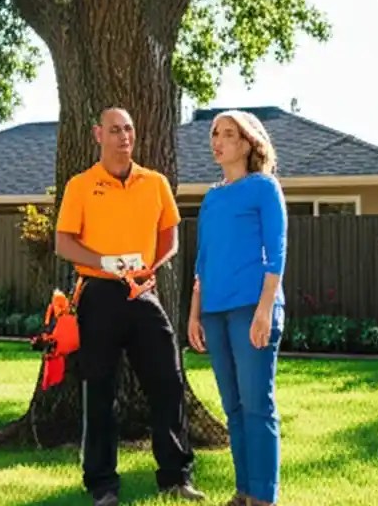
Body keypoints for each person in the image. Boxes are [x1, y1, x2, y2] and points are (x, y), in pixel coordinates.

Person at [54, 107, 206, 506]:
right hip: (98, 292)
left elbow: (169, 235)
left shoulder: (154, 183)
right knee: (100, 389)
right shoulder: (81, 185)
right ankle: (102, 484)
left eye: (129, 130)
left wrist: (151, 268)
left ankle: (176, 477)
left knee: (168, 380)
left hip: (143, 293)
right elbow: (63, 243)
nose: (123, 137)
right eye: (115, 130)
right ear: (97, 135)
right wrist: (102, 260)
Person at [186, 110, 287, 506]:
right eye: (215, 133)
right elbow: (203, 261)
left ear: (248, 143)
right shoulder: (212, 198)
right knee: (234, 408)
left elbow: (276, 253)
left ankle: (264, 497)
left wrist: (265, 310)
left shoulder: (264, 188)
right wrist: (195, 313)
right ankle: (244, 492)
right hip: (215, 312)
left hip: (252, 309)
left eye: (228, 134)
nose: (218, 140)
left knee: (257, 405)